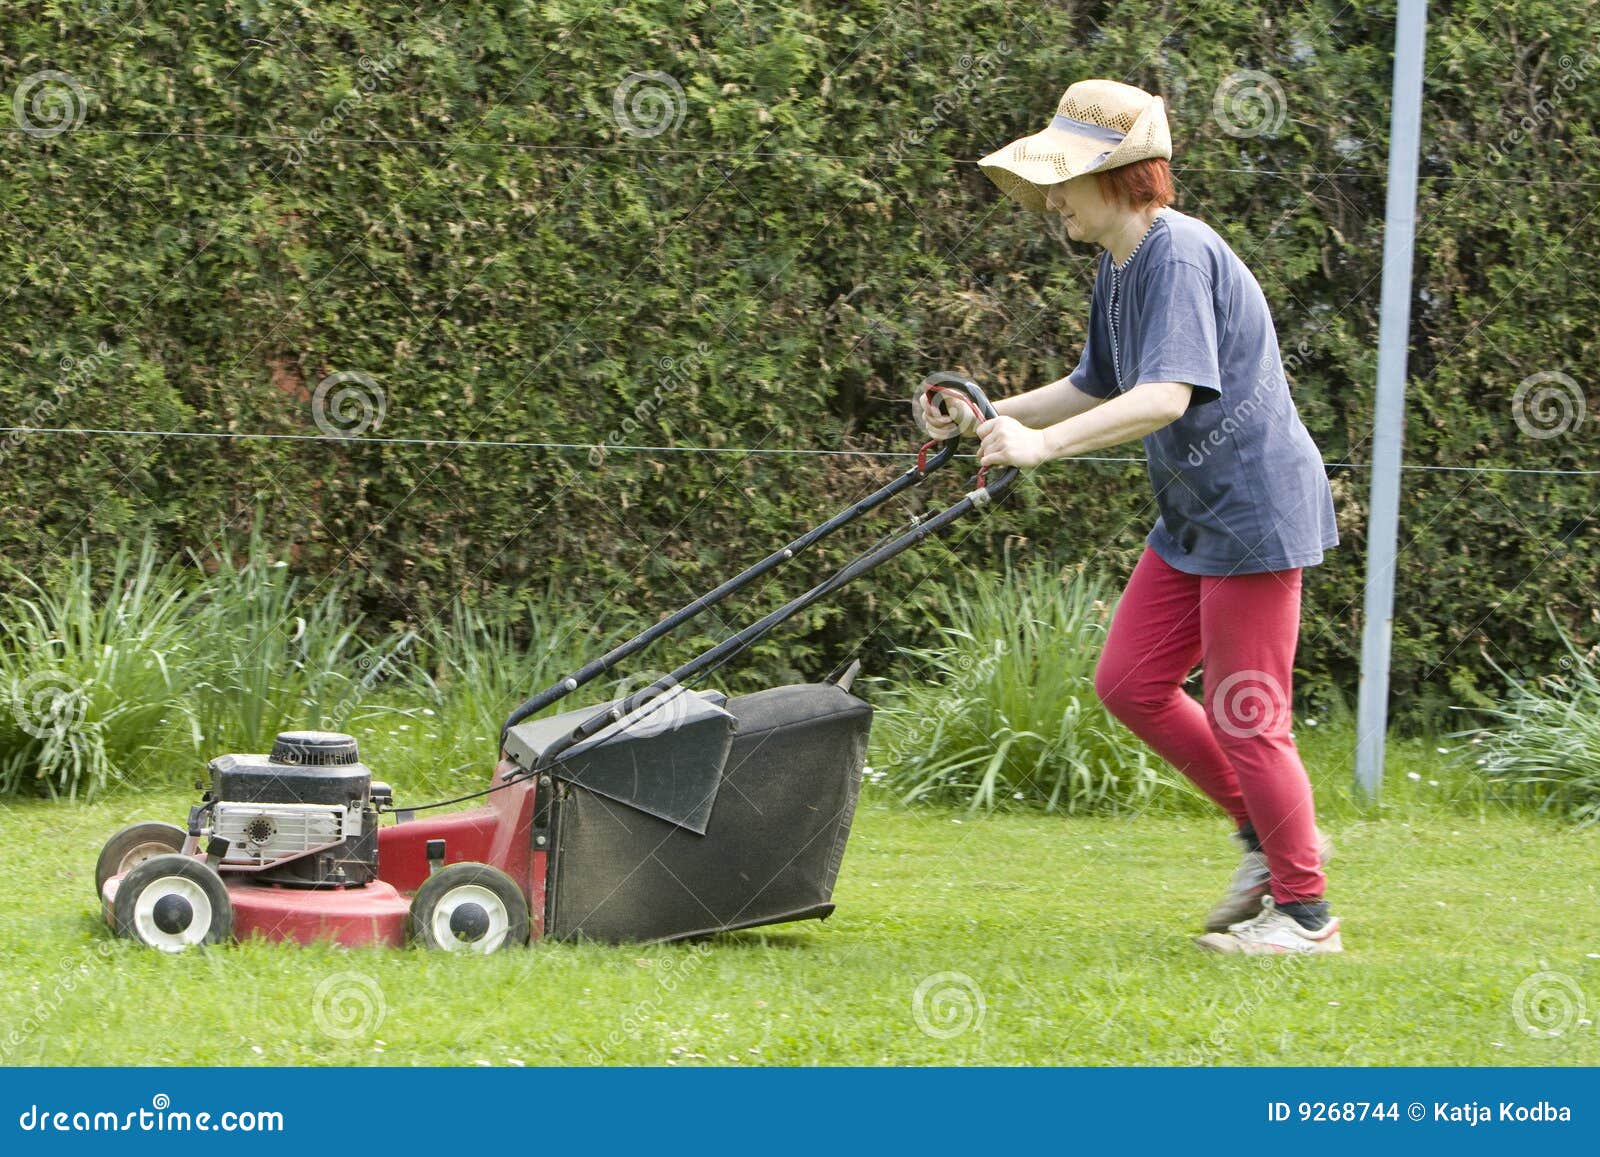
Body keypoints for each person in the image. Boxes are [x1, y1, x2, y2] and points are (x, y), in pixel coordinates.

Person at [914, 79, 1342, 954]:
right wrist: (988, 416)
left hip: (1252, 511)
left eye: (1063, 178)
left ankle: (1305, 913)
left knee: (1247, 713)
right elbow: (1095, 385)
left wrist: (1042, 447)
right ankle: (1273, 836)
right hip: (1193, 513)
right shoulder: (1119, 263)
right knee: (1130, 681)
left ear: (1118, 177)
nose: (1051, 198)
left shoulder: (1176, 254)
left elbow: (1164, 395)